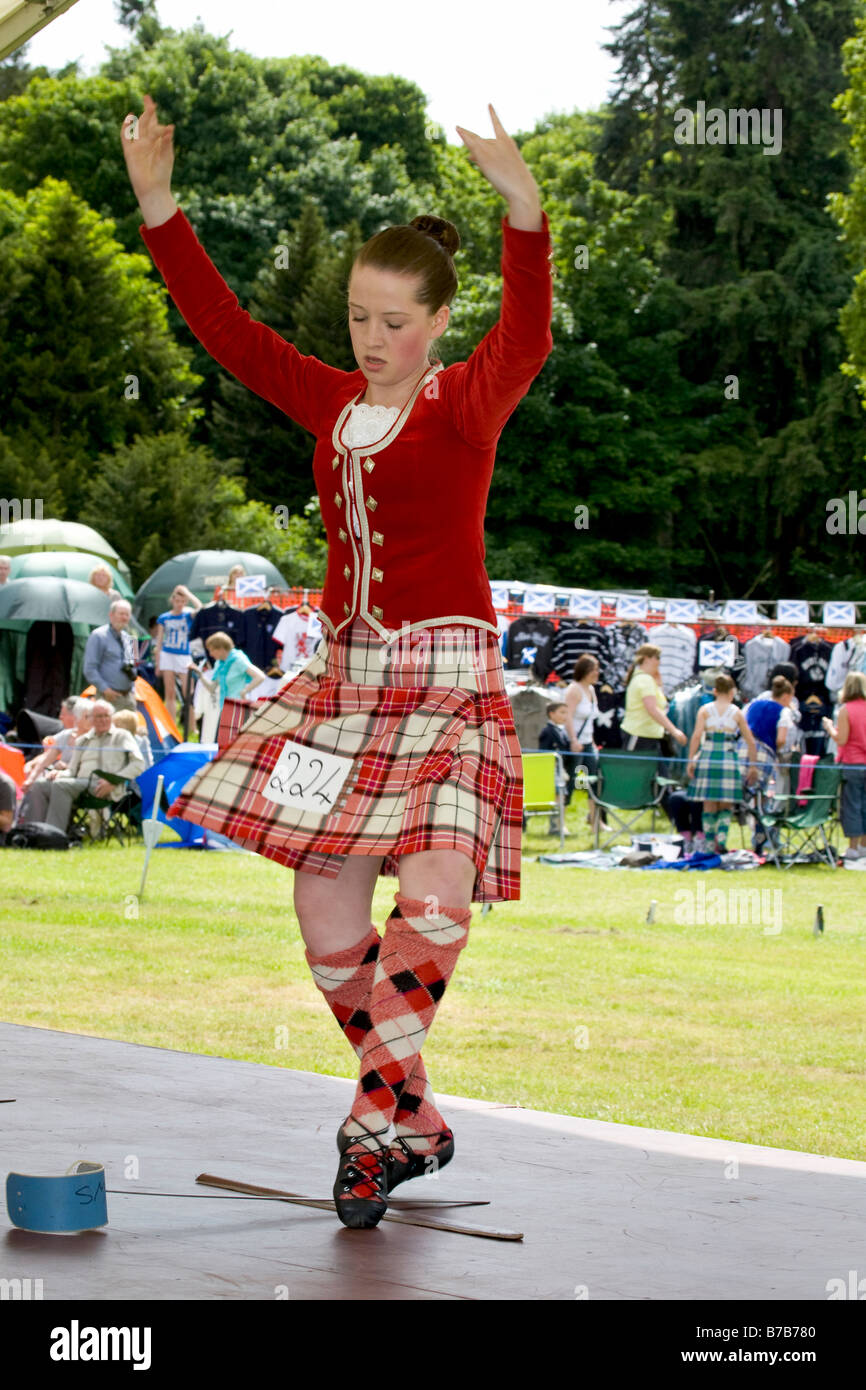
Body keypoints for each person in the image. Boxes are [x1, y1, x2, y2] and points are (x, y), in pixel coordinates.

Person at [123, 93, 553, 1228]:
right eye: (360, 316)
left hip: (448, 681)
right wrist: (159, 205)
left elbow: (531, 334)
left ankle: (372, 1124)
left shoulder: (466, 403)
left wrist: (523, 210)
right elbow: (226, 332)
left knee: (434, 891)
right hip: (345, 686)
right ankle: (412, 1115)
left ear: (438, 324)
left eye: (394, 321)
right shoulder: (328, 404)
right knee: (324, 927)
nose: (371, 338)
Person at [21, 699, 145, 834]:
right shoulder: (83, 740)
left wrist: (114, 780)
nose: (103, 720)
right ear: (91, 719)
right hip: (80, 784)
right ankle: (32, 832)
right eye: (99, 716)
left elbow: (138, 764)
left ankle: (53, 835)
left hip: (104, 786)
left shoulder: (122, 736)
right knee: (40, 784)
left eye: (106, 716)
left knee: (60, 785)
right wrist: (59, 774)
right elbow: (72, 770)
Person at [685, 674, 759, 855]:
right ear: (732, 691)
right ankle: (722, 842)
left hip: (708, 755)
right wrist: (753, 765)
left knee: (708, 803)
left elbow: (696, 736)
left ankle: (710, 845)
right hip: (728, 756)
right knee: (726, 804)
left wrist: (691, 759)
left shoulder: (705, 709)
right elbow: (750, 740)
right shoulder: (736, 712)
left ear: (715, 691)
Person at [822, 671, 866, 862]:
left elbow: (841, 738)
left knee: (851, 806)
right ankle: (864, 845)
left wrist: (830, 727)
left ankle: (854, 847)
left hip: (852, 764)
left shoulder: (846, 710)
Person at [621, 644, 688, 763]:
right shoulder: (644, 680)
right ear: (646, 658)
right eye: (657, 657)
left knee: (659, 777)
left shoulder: (648, 679)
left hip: (652, 735)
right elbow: (652, 709)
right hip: (639, 735)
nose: (659, 662)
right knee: (634, 773)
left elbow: (662, 706)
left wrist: (659, 684)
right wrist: (674, 731)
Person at [563, 653, 603, 833]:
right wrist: (573, 740)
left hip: (588, 743)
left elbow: (590, 721)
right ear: (585, 671)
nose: (597, 673)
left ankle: (596, 821)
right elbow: (568, 716)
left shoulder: (592, 690)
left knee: (594, 782)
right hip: (575, 743)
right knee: (571, 782)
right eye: (594, 669)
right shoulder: (574, 690)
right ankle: (560, 822)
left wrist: (592, 743)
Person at [82, 600, 138, 711]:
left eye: (127, 615)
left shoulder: (131, 638)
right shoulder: (98, 636)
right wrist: (105, 689)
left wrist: (132, 691)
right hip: (107, 698)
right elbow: (89, 669)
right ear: (111, 615)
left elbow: (134, 668)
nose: (124, 618)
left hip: (128, 698)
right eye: (121, 614)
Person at [155, 584, 202, 714]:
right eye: (177, 601)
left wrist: (187, 593)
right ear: (172, 600)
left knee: (188, 692)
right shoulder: (164, 617)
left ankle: (192, 726)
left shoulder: (188, 615)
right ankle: (171, 723)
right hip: (167, 654)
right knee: (169, 693)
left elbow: (200, 608)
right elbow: (159, 641)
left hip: (183, 655)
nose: (179, 604)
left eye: (182, 601)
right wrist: (158, 663)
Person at [196, 632, 265, 716]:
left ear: (221, 648)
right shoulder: (219, 664)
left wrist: (245, 691)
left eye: (212, 650)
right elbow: (212, 688)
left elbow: (260, 676)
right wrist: (200, 675)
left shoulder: (238, 660)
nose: (210, 654)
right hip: (225, 708)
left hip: (239, 708)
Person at [538, 700, 577, 835]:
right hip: (553, 770)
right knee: (558, 796)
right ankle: (555, 826)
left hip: (561, 769)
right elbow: (544, 752)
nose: (565, 716)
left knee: (563, 796)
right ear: (551, 714)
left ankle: (560, 824)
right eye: (562, 712)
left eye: (567, 713)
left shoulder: (562, 731)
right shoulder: (547, 732)